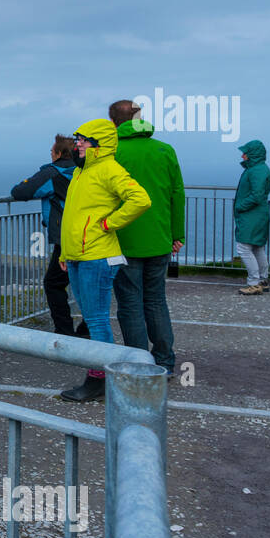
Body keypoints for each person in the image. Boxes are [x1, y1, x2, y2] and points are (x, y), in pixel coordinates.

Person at [57, 119, 151, 402]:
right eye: (77, 139)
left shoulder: (109, 168)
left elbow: (140, 199)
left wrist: (110, 223)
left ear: (99, 144)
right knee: (91, 318)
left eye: (84, 140)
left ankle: (99, 381)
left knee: (97, 321)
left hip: (97, 257)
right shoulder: (81, 171)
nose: (78, 144)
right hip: (78, 256)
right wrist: (64, 253)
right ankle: (101, 378)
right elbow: (74, 214)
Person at [109, 99, 186, 376]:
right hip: (159, 240)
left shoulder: (112, 151)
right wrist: (177, 234)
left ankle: (140, 365)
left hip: (123, 241)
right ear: (139, 117)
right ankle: (164, 360)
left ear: (113, 122)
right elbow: (177, 194)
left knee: (129, 304)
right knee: (156, 301)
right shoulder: (165, 150)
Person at [11, 134, 88, 338]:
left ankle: (66, 332)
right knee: (86, 285)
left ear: (59, 153)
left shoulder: (54, 173)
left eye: (52, 151)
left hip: (67, 237)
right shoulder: (85, 170)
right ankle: (85, 330)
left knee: (53, 283)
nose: (51, 154)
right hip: (91, 234)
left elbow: (20, 191)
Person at [233, 140, 270, 295]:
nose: (243, 156)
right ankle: (263, 280)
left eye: (245, 153)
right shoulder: (259, 169)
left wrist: (240, 206)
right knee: (257, 247)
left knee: (243, 247)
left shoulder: (256, 170)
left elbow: (256, 195)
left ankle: (254, 283)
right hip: (257, 214)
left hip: (252, 215)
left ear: (252, 154)